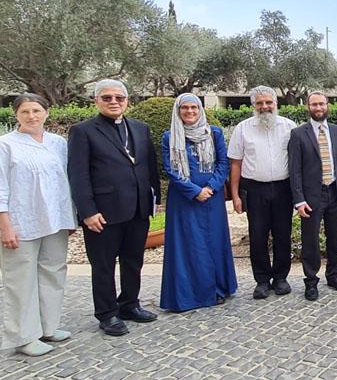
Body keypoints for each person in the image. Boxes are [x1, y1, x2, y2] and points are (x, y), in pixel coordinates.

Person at [68, 79, 161, 336]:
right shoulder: (83, 131)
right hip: (103, 212)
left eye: (119, 98)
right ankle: (107, 314)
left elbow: (149, 167)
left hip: (138, 209)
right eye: (107, 98)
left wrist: (154, 201)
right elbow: (78, 174)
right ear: (96, 101)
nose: (114, 102)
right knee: (104, 266)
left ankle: (129, 304)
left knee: (133, 261)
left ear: (127, 101)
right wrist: (87, 211)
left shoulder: (140, 129)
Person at [0, 94, 76, 356]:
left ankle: (48, 327)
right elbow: (1, 187)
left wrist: (70, 216)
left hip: (54, 219)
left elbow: (64, 181)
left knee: (53, 272)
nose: (31, 116)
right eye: (25, 112)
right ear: (16, 115)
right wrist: (5, 225)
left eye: (36, 111)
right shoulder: (6, 145)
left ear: (46, 112)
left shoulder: (58, 143)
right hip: (21, 221)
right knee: (20, 280)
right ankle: (24, 336)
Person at [159, 94, 237, 312]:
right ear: (178, 111)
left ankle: (218, 288)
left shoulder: (214, 133)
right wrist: (194, 191)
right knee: (188, 246)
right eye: (185, 108)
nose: (190, 111)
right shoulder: (169, 137)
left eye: (194, 107)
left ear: (201, 109)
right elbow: (171, 169)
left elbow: (223, 163)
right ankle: (189, 294)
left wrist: (210, 188)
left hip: (212, 198)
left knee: (213, 243)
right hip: (184, 200)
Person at [228, 86, 298, 300]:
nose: (265, 107)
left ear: (276, 104)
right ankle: (261, 280)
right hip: (254, 189)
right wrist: (235, 195)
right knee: (257, 236)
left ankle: (280, 278)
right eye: (260, 103)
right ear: (253, 106)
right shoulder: (243, 128)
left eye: (269, 102)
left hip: (283, 189)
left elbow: (297, 162)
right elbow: (236, 163)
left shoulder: (289, 127)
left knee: (282, 234)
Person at [288, 91, 337, 300]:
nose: (318, 108)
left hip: (335, 192)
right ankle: (311, 281)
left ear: (328, 105)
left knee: (336, 237)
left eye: (321, 104)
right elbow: (295, 170)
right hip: (311, 196)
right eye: (314, 105)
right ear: (308, 107)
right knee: (310, 240)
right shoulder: (298, 134)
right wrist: (299, 200)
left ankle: (333, 275)